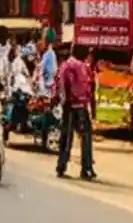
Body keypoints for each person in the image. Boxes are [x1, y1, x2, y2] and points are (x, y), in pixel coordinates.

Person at [53, 43, 95, 180]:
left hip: (69, 106)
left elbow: (60, 86)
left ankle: (61, 166)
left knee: (66, 137)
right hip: (81, 106)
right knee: (86, 138)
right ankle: (87, 168)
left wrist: (61, 101)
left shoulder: (65, 66)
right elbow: (89, 89)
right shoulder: (84, 67)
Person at [35, 32, 58, 97]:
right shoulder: (52, 53)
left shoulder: (48, 54)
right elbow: (55, 68)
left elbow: (41, 67)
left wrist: (37, 64)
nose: (42, 42)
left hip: (47, 82)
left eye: (43, 41)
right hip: (50, 81)